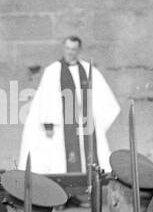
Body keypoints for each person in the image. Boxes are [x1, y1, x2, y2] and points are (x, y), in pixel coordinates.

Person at [17, 35, 119, 175]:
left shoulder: (88, 69)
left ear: (79, 50)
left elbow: (104, 98)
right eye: (68, 48)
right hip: (61, 127)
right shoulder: (53, 70)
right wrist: (48, 124)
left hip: (85, 125)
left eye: (74, 49)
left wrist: (98, 122)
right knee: (60, 162)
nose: (70, 52)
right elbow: (46, 99)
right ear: (63, 48)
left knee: (87, 158)